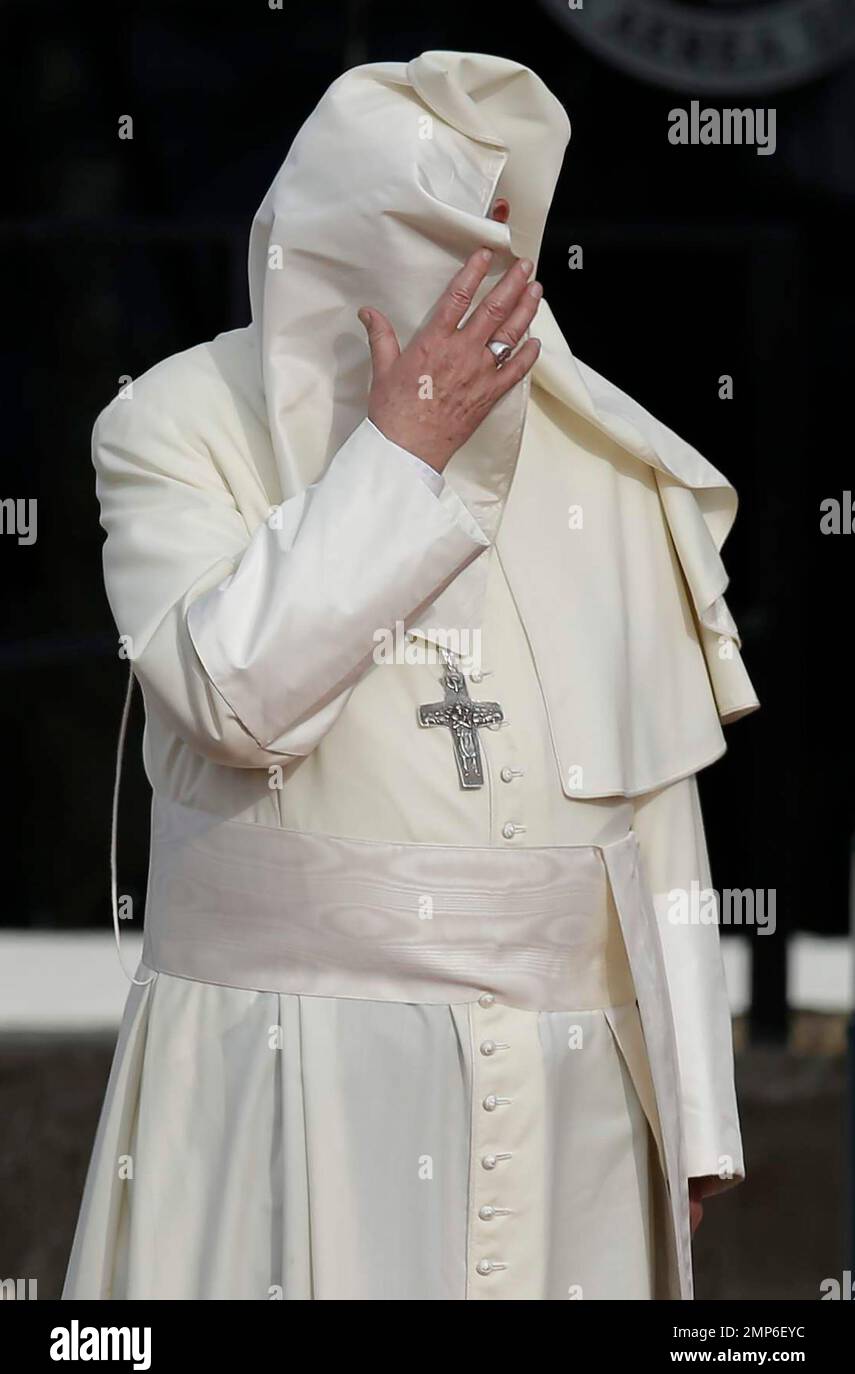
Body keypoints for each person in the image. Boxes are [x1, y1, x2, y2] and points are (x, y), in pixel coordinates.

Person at [63, 50, 759, 1301]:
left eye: (505, 230)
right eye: (448, 231)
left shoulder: (604, 455)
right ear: (342, 235)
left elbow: (657, 814)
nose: (486, 271)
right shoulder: (175, 424)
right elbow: (235, 699)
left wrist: (698, 1110)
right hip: (278, 1074)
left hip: (572, 1105)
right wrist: (399, 455)